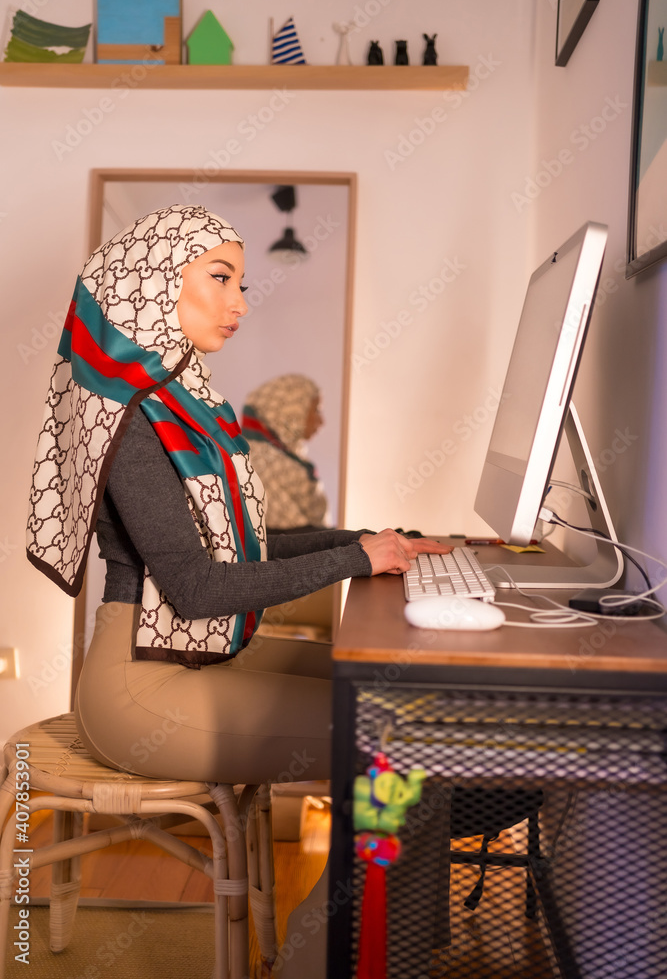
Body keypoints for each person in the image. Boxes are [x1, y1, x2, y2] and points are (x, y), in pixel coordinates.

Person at [26, 204, 451, 973]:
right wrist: (357, 560)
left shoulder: (189, 407)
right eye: (220, 278)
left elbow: (248, 547)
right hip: (140, 688)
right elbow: (195, 588)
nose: (240, 303)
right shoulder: (131, 419)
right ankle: (326, 962)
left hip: (197, 661)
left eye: (241, 284)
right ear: (154, 283)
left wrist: (373, 542)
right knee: (405, 752)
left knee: (403, 700)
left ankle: (375, 951)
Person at [242, 373, 329, 532]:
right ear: (291, 410)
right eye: (316, 410)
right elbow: (301, 537)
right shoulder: (267, 466)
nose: (322, 421)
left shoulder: (272, 455)